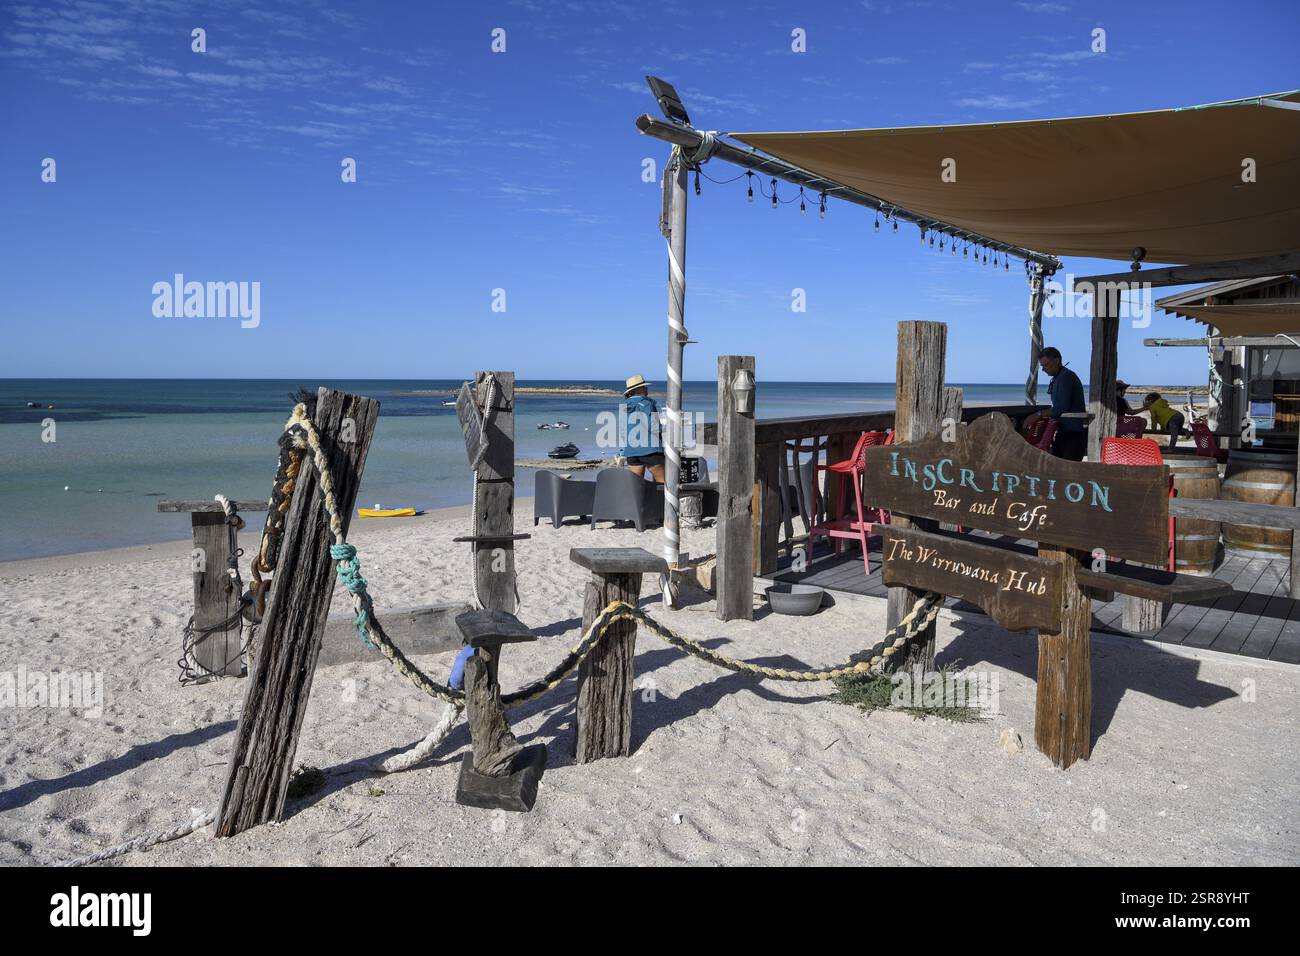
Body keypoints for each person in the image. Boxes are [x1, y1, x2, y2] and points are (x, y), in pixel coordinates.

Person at [1025, 346, 1087, 460]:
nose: (1043, 369)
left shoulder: (1066, 377)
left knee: (1068, 471)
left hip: (1073, 434)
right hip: (1063, 432)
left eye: (1045, 365)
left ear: (1057, 361)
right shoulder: (1058, 377)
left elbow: (1061, 408)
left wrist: (1037, 415)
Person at [621, 374, 665, 482]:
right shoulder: (647, 403)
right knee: (663, 483)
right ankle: (659, 500)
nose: (646, 388)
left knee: (635, 486)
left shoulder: (624, 406)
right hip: (650, 450)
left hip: (631, 451)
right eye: (644, 386)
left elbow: (623, 430)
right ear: (638, 389)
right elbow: (653, 426)